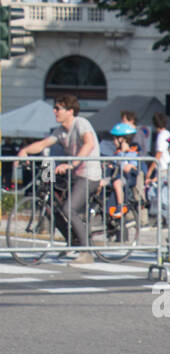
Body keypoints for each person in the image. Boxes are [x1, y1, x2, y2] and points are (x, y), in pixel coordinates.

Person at [16, 95, 101, 263]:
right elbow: (43, 144)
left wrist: (73, 163)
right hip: (73, 175)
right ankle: (73, 242)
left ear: (70, 111)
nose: (54, 111)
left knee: (69, 209)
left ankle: (87, 251)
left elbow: (89, 144)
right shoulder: (60, 131)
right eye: (54, 107)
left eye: (58, 108)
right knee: (52, 208)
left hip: (88, 175)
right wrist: (24, 151)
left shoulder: (80, 123)